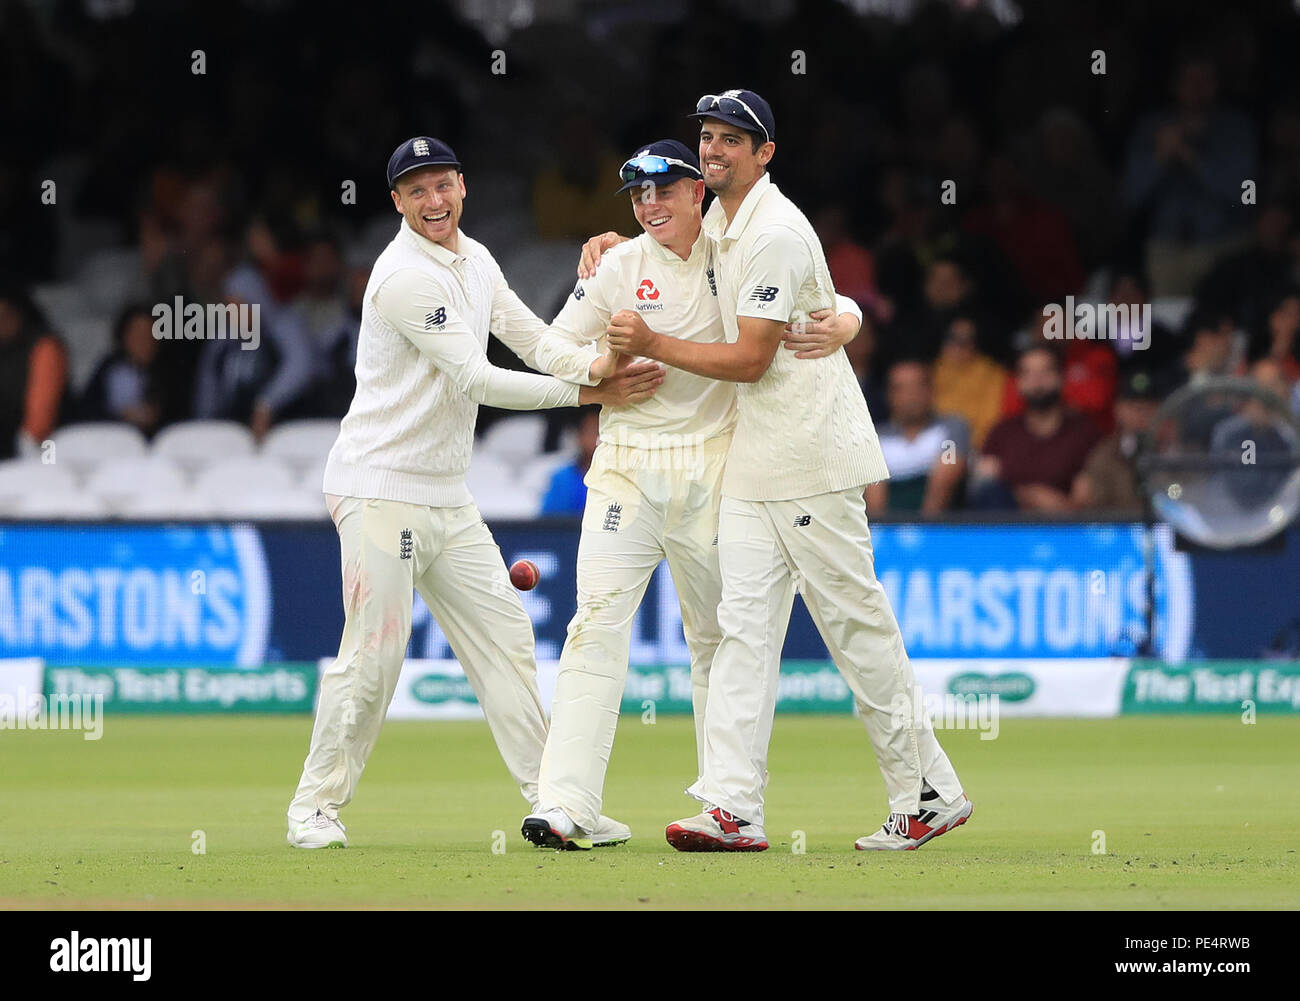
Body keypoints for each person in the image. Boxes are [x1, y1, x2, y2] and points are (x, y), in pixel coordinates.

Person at [595, 89, 968, 852]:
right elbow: (667, 235)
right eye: (708, 137)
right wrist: (608, 242)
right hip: (753, 462)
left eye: (734, 139)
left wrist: (653, 344)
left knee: (854, 624)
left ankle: (926, 792)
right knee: (741, 631)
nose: (716, 150)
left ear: (766, 153)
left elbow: (752, 357)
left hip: (810, 458)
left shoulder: (775, 229)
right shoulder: (723, 221)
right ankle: (732, 805)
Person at [286, 136, 664, 850]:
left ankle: (556, 800)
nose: (433, 201)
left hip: (446, 495)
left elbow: (534, 341)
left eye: (443, 185)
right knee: (376, 651)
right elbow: (478, 378)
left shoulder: (478, 260)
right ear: (396, 201)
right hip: (379, 489)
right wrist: (590, 391)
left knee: (505, 635)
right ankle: (314, 806)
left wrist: (596, 365)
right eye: (416, 190)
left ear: (463, 185)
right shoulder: (402, 277)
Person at [522, 139, 862, 850]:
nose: (650, 205)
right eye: (639, 195)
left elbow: (807, 288)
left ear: (696, 193)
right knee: (595, 625)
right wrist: (600, 377)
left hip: (716, 471)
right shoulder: (614, 263)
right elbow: (551, 351)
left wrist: (851, 315)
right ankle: (565, 804)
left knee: (719, 641)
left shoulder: (730, 250)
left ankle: (728, 806)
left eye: (664, 190)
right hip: (626, 469)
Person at [974, 345, 1102, 511]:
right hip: (1007, 531)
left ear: (1061, 377)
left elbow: (1085, 505)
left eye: (1045, 372)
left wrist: (1056, 505)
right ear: (1018, 382)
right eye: (1028, 374)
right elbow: (983, 486)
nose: (1037, 381)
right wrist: (1028, 495)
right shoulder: (1002, 433)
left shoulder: (1085, 434)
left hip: (1065, 532)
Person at [867, 359, 969, 514]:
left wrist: (923, 527)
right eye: (901, 389)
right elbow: (873, 490)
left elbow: (949, 470)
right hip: (887, 529)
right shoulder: (875, 437)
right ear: (889, 395)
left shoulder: (951, 428)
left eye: (917, 387)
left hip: (939, 527)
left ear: (931, 391)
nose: (910, 396)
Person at [1072, 367, 1164, 514]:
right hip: (1119, 532)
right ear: (1118, 409)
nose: (1141, 414)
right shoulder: (1104, 455)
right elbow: (1095, 512)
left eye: (1149, 407)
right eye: (1133, 407)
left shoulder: (1177, 453)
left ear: (1162, 409)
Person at [77, 303, 167, 435]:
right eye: (138, 334)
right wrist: (121, 416)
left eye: (150, 335)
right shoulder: (107, 370)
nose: (144, 341)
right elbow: (86, 414)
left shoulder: (168, 373)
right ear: (123, 336)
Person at [0, 289, 66, 460]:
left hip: (47, 442)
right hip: (8, 440)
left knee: (42, 475)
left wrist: (27, 443)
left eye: (5, 316)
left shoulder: (44, 346)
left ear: (20, 313)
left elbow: (41, 415)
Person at [538, 405, 600, 515]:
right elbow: (548, 523)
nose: (598, 439)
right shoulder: (562, 478)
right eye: (592, 431)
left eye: (602, 432)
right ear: (580, 436)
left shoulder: (622, 477)